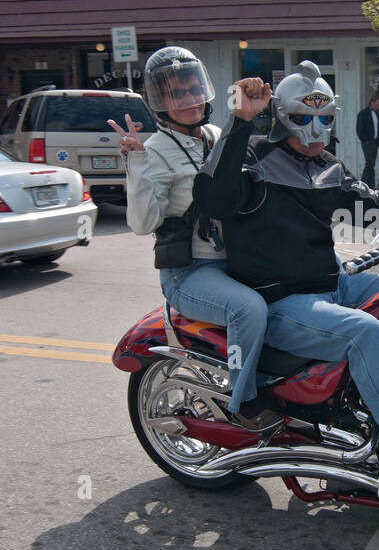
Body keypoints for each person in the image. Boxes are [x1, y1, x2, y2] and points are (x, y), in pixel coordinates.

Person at [197, 61, 379, 507]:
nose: (316, 130)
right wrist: (239, 120)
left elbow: (376, 204)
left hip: (333, 283)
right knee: (364, 331)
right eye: (304, 118)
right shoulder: (254, 160)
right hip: (279, 301)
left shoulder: (327, 167)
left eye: (324, 118)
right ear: (282, 118)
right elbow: (212, 198)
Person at [110, 46, 275, 429]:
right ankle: (244, 402)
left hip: (236, 260)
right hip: (190, 272)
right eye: (176, 93)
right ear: (159, 101)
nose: (189, 99)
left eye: (193, 88)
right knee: (248, 309)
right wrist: (136, 162)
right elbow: (142, 223)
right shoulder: (154, 150)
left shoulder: (217, 135)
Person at [356, 94, 379, 183]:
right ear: (372, 103)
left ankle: (371, 185)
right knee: (369, 163)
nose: (378, 107)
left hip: (375, 142)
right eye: (377, 104)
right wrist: (365, 140)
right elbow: (359, 128)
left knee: (372, 164)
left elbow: (378, 128)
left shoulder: (376, 114)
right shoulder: (363, 113)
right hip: (368, 142)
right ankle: (363, 184)